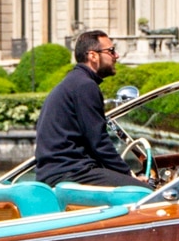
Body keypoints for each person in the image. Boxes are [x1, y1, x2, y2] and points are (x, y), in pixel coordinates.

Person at [32, 30, 145, 188]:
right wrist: (128, 174)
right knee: (146, 192)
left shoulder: (73, 81)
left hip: (55, 172)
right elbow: (98, 141)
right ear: (93, 56)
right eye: (111, 51)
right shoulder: (85, 86)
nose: (116, 56)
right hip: (72, 172)